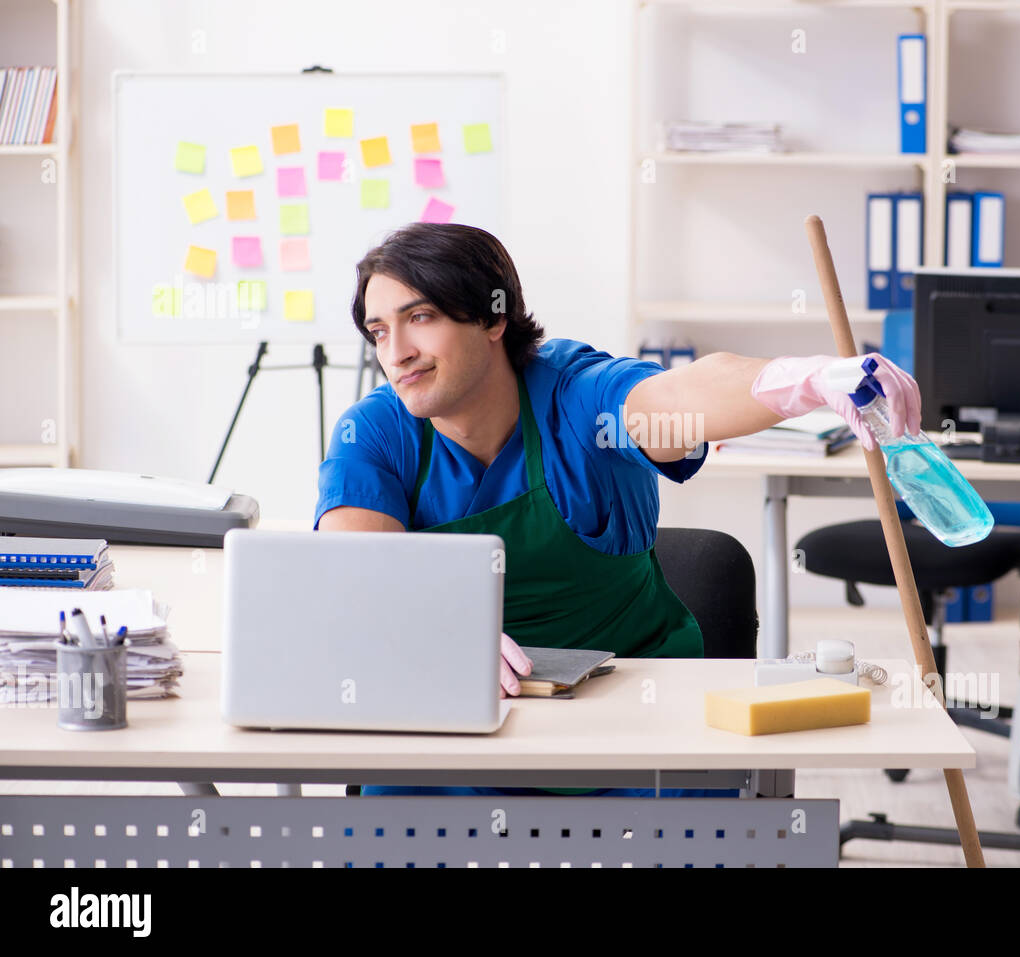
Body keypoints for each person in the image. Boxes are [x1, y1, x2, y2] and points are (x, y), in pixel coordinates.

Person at [314, 222, 921, 796]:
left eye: (419, 317)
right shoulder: (373, 434)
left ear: (492, 318)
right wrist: (439, 625)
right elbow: (357, 574)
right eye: (378, 331)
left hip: (638, 717)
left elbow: (683, 395)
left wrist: (810, 379)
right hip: (459, 723)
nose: (396, 352)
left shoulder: (575, 396)